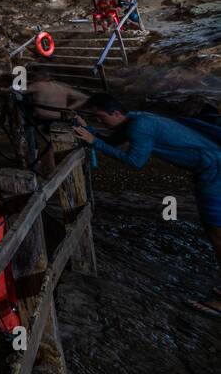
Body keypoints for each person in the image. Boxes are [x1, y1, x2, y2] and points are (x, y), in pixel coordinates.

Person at [74, 93, 221, 317]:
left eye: (100, 118)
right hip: (211, 165)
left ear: (115, 113)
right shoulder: (137, 118)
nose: (99, 122)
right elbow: (112, 141)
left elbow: (135, 162)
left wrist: (93, 141)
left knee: (216, 230)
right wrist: (91, 132)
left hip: (214, 170)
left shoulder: (139, 127)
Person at [26, 76, 88, 172]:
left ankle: (52, 173)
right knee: (64, 149)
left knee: (49, 149)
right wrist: (69, 108)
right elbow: (83, 98)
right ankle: (73, 172)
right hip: (61, 119)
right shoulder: (62, 87)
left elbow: (17, 91)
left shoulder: (38, 85)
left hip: (44, 120)